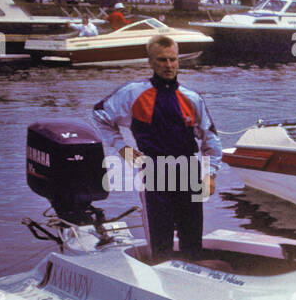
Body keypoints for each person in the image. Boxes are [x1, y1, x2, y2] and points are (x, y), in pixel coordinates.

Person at [92, 36, 222, 260]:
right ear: (150, 62)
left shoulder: (192, 97)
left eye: (173, 59)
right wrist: (122, 147)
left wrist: (210, 174)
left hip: (188, 170)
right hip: (154, 171)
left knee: (192, 233)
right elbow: (99, 115)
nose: (169, 65)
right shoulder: (132, 93)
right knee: (160, 235)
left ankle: (192, 276)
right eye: (162, 60)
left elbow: (210, 137)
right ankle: (160, 272)